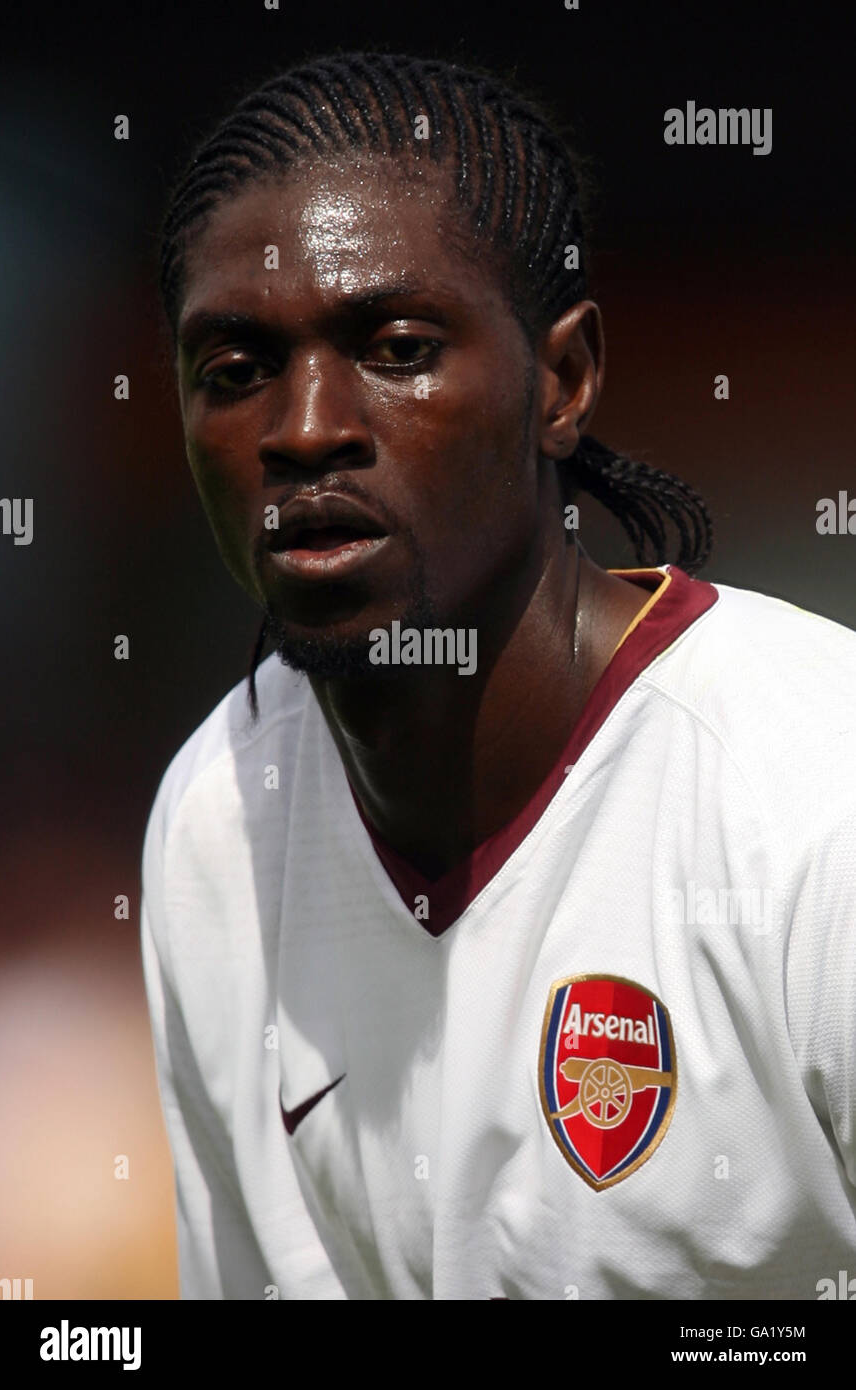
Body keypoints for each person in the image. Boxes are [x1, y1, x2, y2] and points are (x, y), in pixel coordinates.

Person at [141, 50, 856, 1299]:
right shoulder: (219, 824)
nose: (306, 426)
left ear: (562, 381)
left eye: (397, 344)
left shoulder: (810, 801)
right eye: (236, 370)